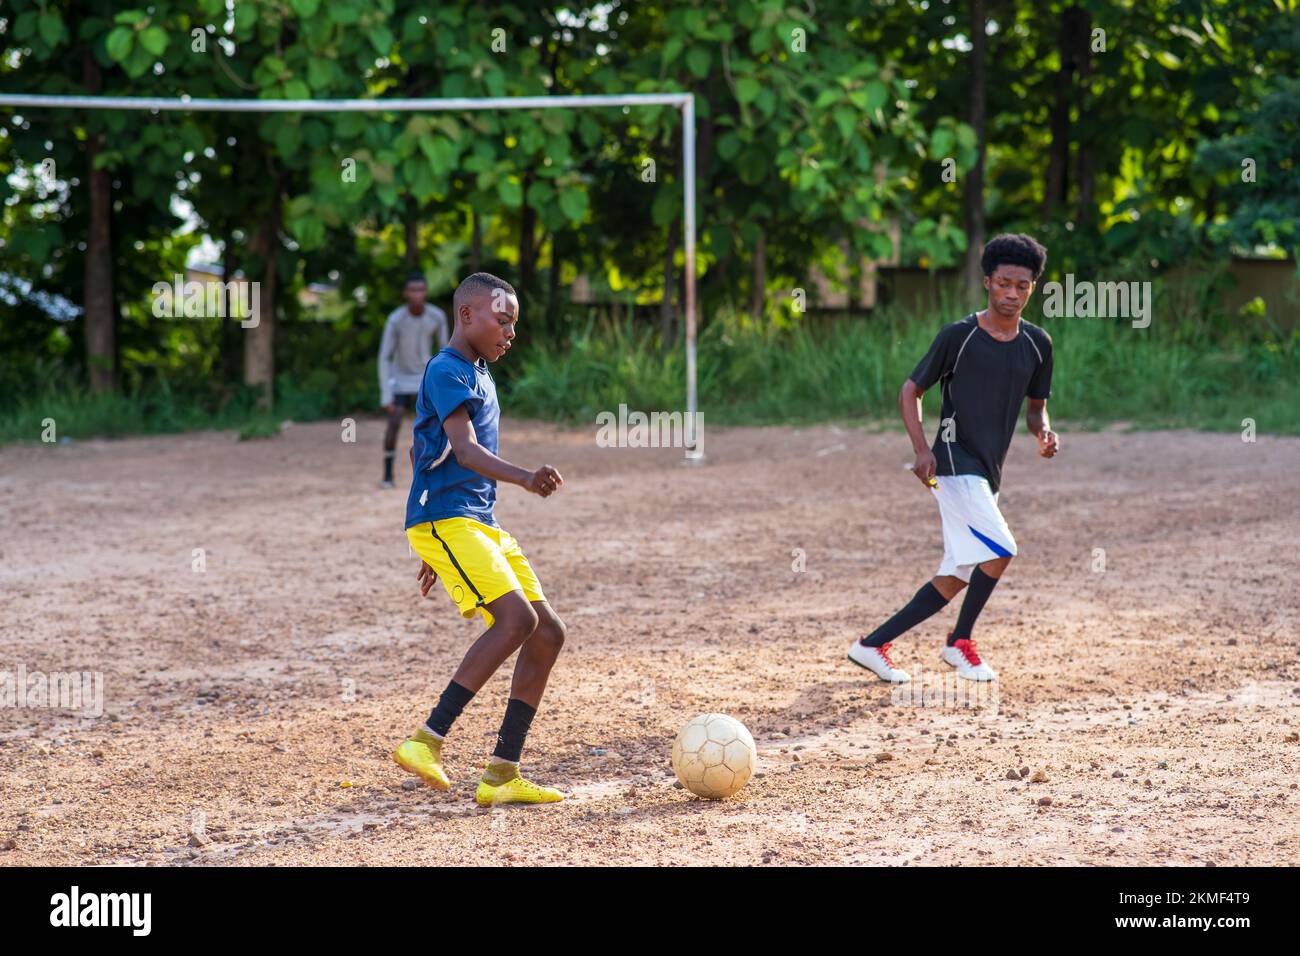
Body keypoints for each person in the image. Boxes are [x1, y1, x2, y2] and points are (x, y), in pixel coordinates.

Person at [849, 233, 1060, 683]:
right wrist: (921, 448)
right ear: (987, 282)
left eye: (1022, 286)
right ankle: (959, 643)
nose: (1011, 293)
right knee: (1002, 548)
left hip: (987, 472)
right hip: (950, 460)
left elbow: (1036, 411)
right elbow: (912, 391)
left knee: (958, 573)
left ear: (1032, 289)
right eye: (1003, 283)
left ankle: (871, 645)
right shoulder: (959, 336)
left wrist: (1043, 433)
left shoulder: (1039, 345)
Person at [392, 272, 569, 806]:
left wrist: (441, 545)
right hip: (452, 521)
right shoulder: (447, 369)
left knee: (547, 632)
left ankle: (501, 773)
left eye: (515, 322)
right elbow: (464, 452)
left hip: (472, 523)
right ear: (467, 315)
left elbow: (419, 452)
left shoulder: (481, 371)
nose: (511, 331)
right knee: (517, 619)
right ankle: (426, 740)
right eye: (503, 319)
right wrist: (524, 478)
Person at [378, 272, 448, 488]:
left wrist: (444, 385)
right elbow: (384, 356)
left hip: (424, 376)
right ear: (406, 293)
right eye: (413, 290)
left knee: (432, 424)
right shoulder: (396, 319)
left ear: (426, 292)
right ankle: (388, 474)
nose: (417, 294)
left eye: (421, 289)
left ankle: (431, 472)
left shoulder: (436, 317)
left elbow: (445, 352)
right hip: (400, 377)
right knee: (395, 420)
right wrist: (386, 393)